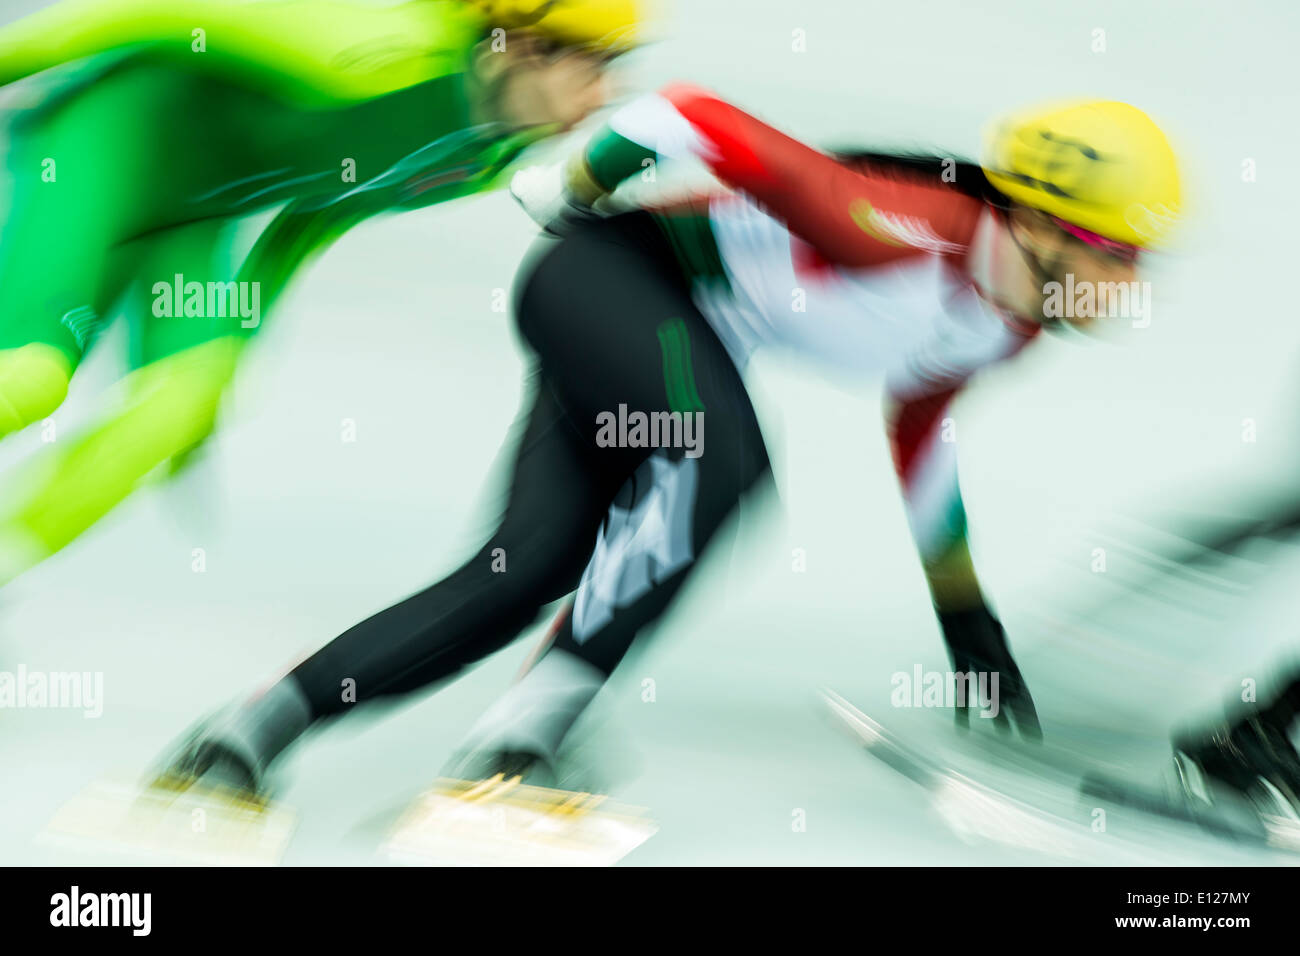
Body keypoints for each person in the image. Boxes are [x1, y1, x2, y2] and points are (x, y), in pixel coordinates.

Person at [159, 88, 1182, 797]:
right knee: (723, 459)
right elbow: (693, 116)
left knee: (523, 567)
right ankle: (521, 737)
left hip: (653, 341)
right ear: (1040, 222)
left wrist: (965, 614)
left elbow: (916, 424)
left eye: (1141, 260)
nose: (1127, 284)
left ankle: (251, 727)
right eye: (1113, 251)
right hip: (606, 278)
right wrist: (573, 182)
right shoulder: (902, 224)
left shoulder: (1009, 323)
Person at [0, 0, 642, 582]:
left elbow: (316, 215)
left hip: (193, 218)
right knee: (34, 378)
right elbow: (158, 12)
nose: (608, 93)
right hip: (102, 143)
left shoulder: (482, 162)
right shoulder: (372, 53)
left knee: (183, 405)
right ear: (522, 48)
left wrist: (236, 341)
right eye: (596, 64)